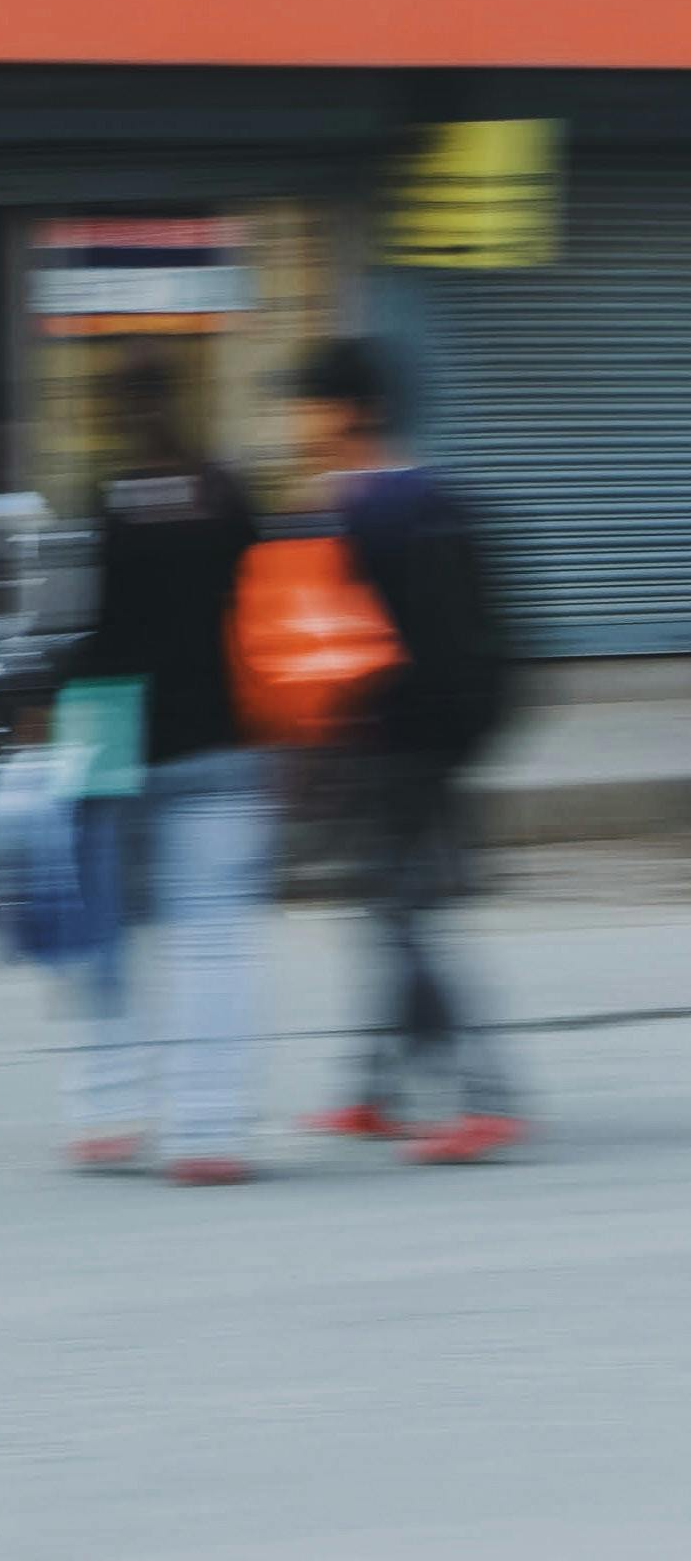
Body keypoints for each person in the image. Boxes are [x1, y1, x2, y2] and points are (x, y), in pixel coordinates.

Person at [292, 336, 523, 1162]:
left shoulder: (368, 508)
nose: (297, 421)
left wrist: (334, 740)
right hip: (441, 737)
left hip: (395, 741)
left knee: (402, 918)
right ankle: (375, 1091)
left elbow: (361, 643)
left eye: (309, 404)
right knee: (392, 913)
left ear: (350, 412)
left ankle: (488, 1097)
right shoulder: (437, 496)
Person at [61, 348, 271, 1184]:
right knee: (212, 945)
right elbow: (262, 616)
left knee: (107, 935)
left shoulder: (110, 502)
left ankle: (107, 1114)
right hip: (222, 737)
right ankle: (207, 1132)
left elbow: (97, 633)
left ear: (116, 412)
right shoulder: (227, 493)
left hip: (117, 737)